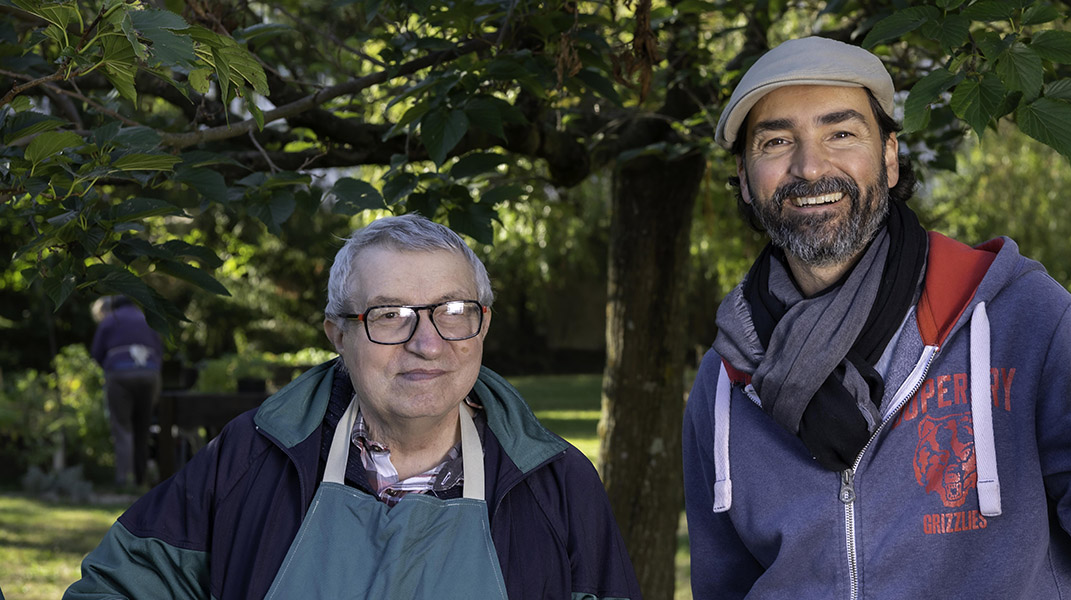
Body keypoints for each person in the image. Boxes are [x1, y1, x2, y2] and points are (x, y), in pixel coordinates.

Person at [682, 36, 1071, 599]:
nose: (810, 166)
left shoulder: (1019, 318)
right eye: (777, 141)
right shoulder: (726, 380)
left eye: (841, 133)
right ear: (745, 173)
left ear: (889, 154)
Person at [67, 214, 641, 600]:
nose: (428, 343)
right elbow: (116, 588)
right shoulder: (252, 459)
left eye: (453, 309)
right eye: (390, 315)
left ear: (483, 324)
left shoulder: (556, 487)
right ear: (338, 335)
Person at [90, 295, 164, 488]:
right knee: (143, 429)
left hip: (120, 375)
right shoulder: (145, 318)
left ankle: (124, 480)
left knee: (122, 428)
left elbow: (97, 353)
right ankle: (142, 480)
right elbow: (159, 350)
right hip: (150, 375)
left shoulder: (110, 320)